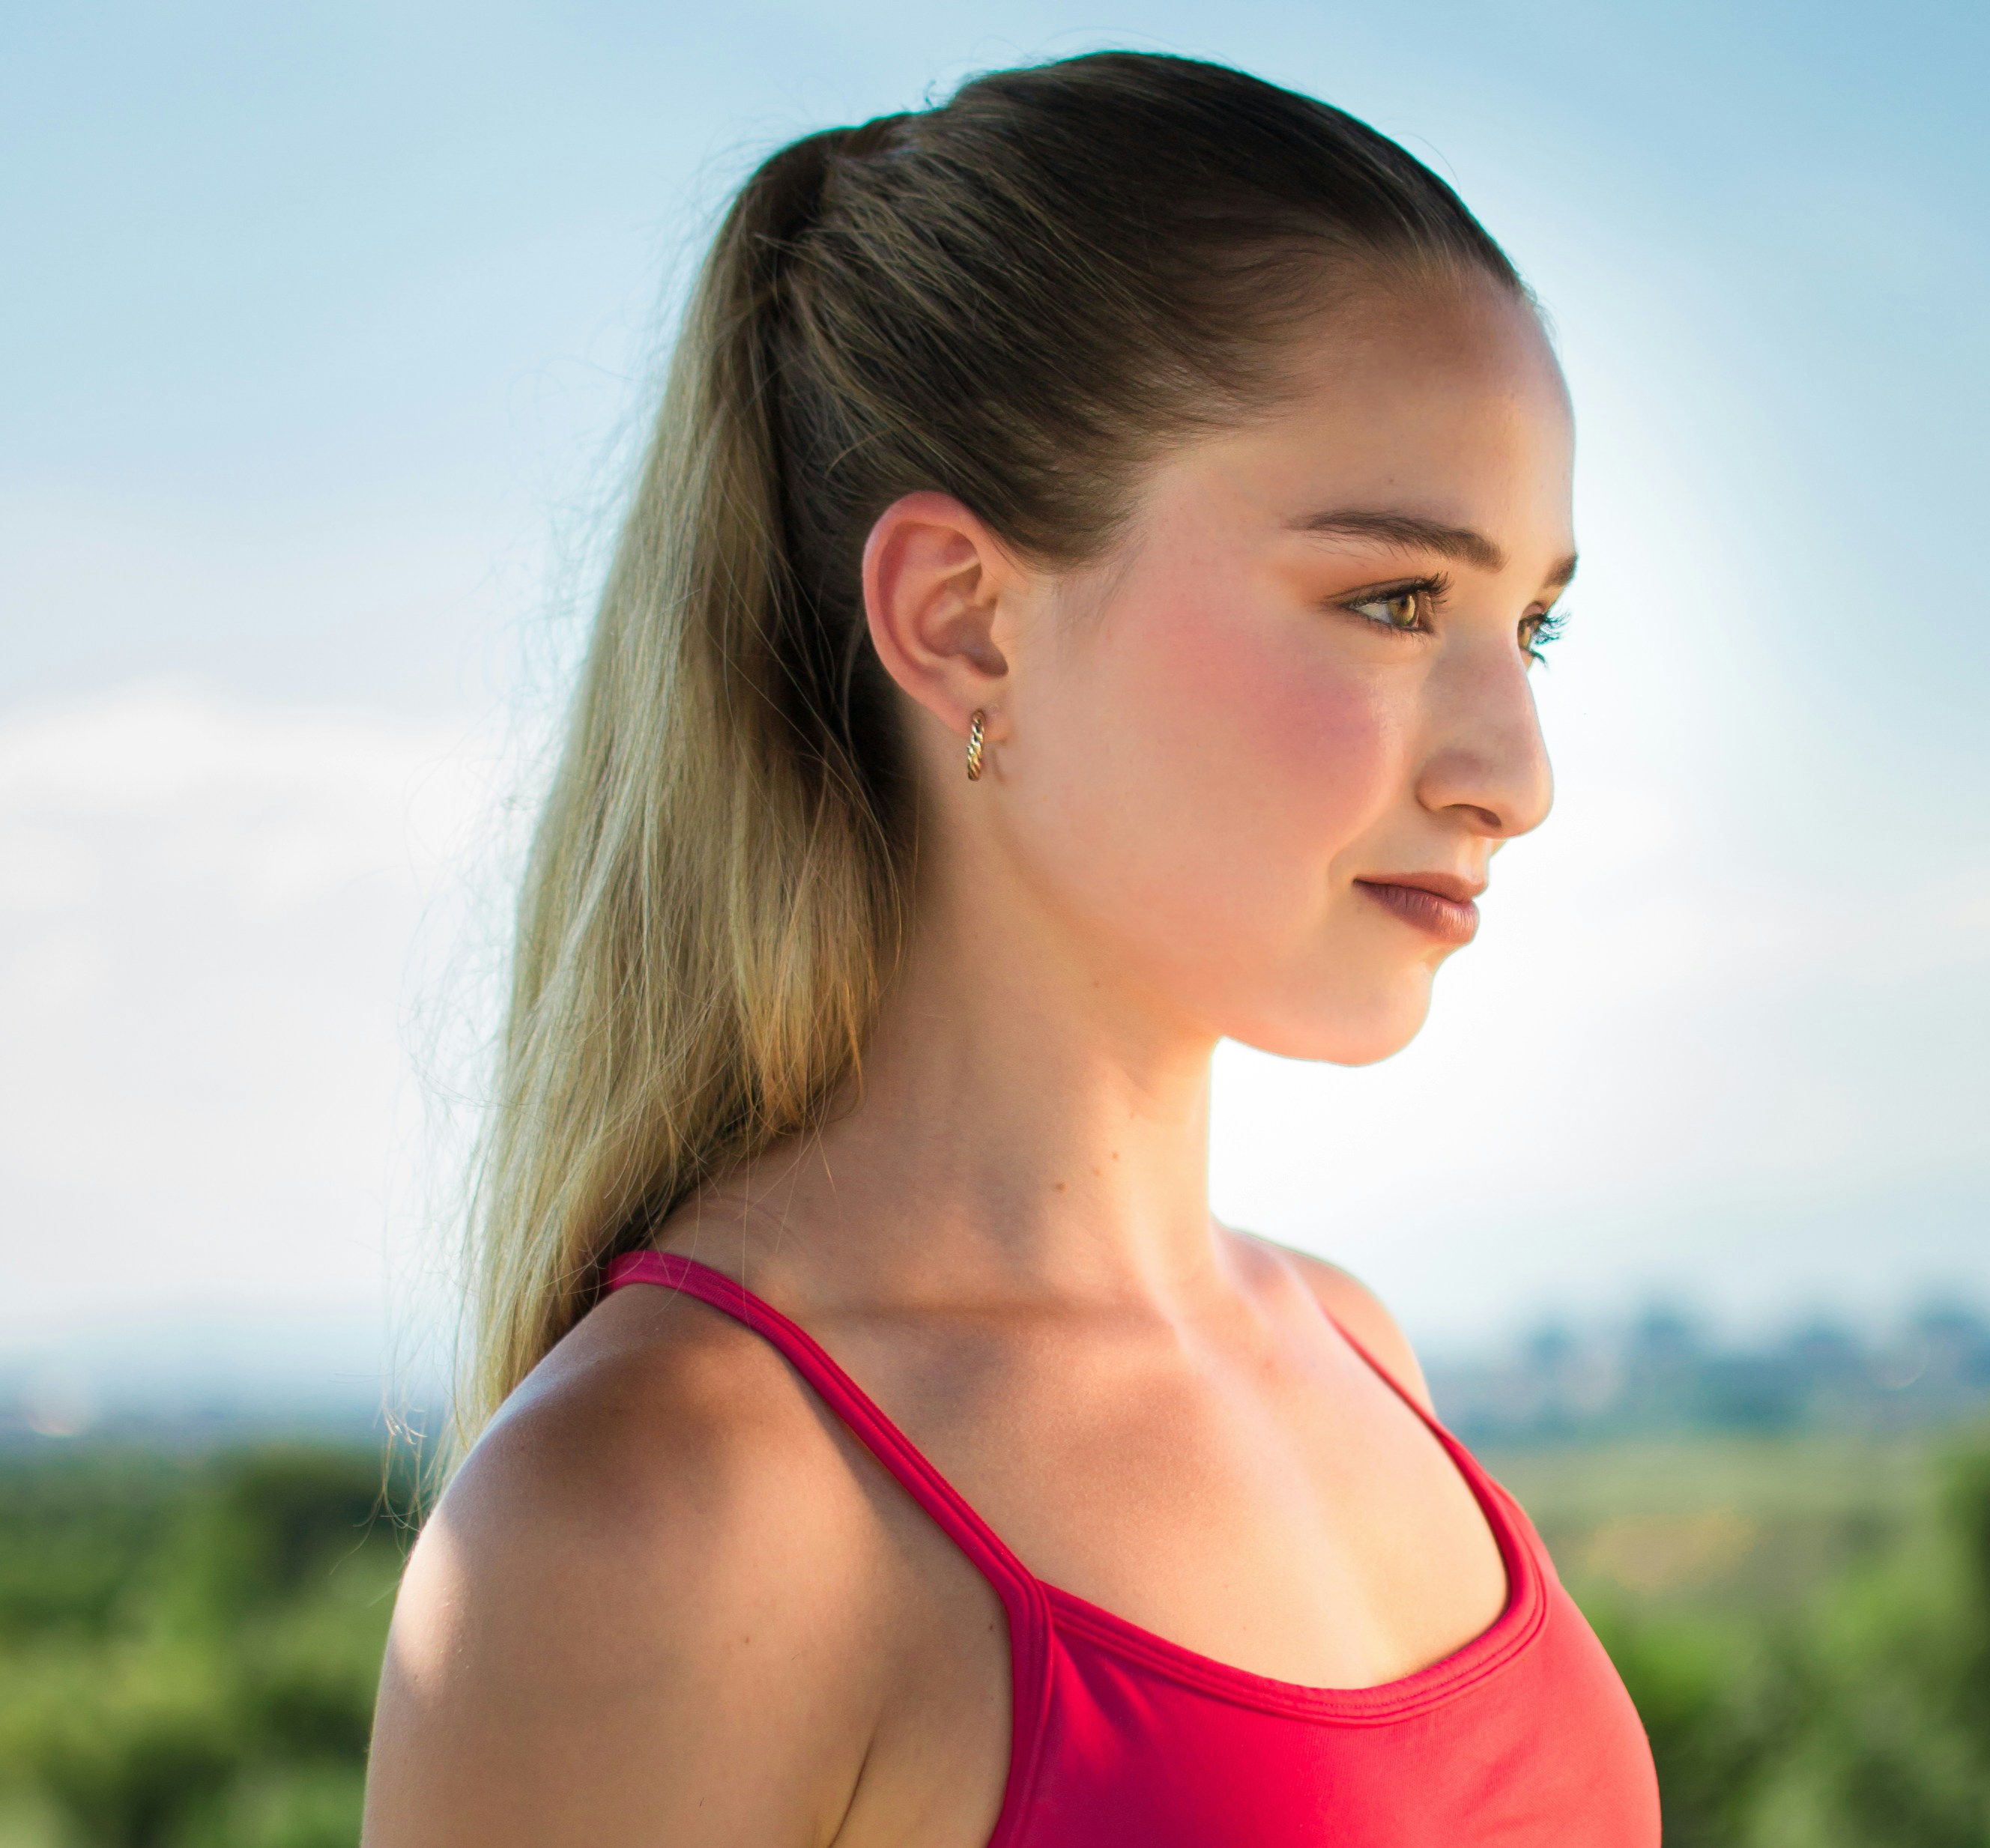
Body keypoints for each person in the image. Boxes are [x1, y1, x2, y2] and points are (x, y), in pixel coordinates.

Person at [365, 50, 1659, 1847]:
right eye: (1391, 601)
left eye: (1533, 624)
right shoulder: (667, 1516)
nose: (1515, 772)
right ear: (964, 624)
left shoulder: (1356, 1355)